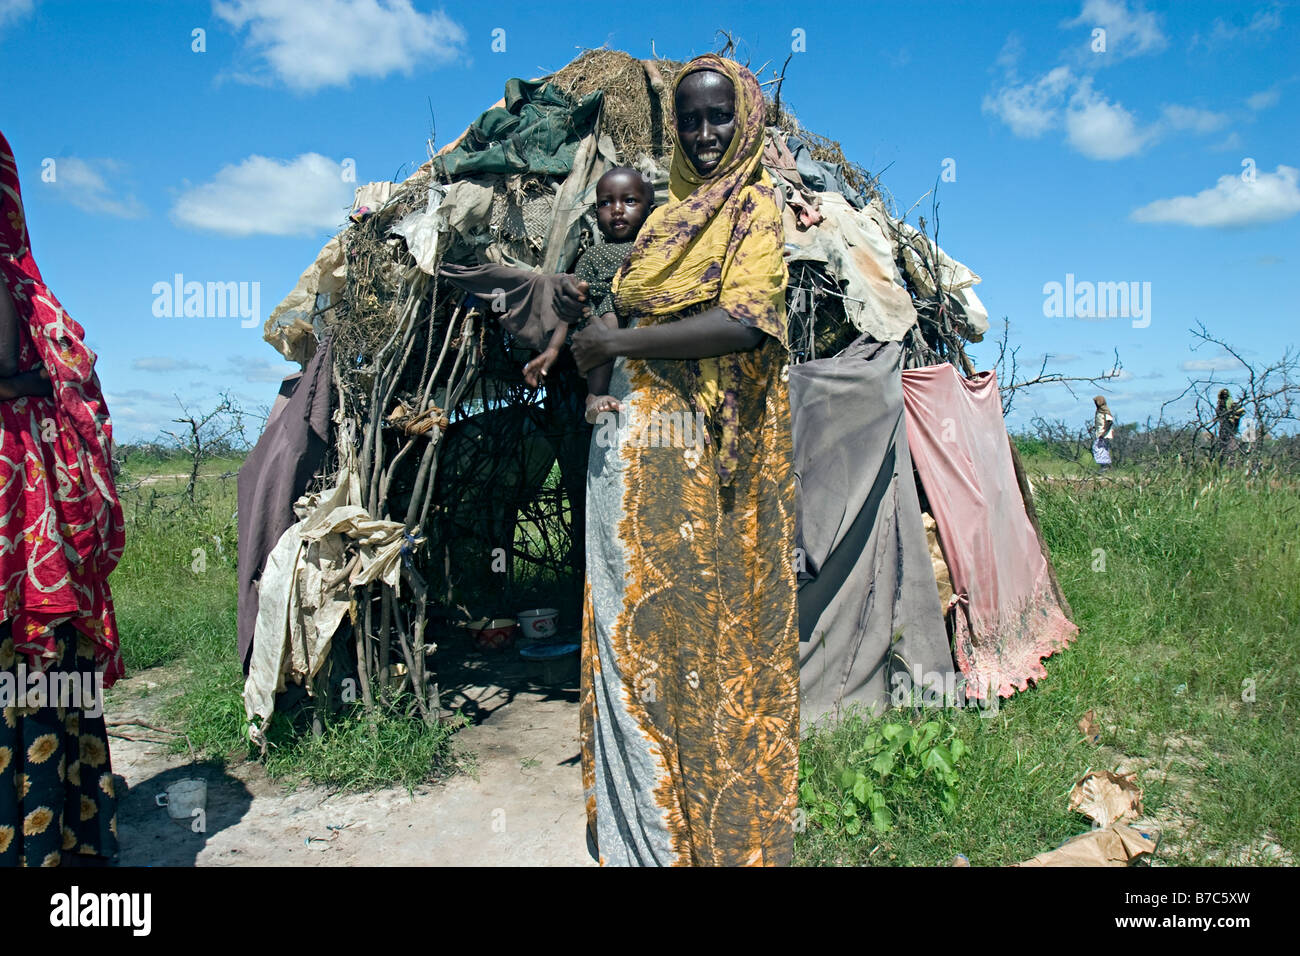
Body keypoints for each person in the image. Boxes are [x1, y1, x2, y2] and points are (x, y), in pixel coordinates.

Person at [570, 55, 798, 866]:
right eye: (690, 121)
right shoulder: (663, 219)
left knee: (700, 646)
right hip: (624, 465)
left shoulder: (756, 211)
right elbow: (598, 324)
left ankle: (712, 834)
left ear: (747, 120)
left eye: (719, 118)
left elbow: (745, 321)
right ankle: (644, 846)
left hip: (702, 472)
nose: (704, 135)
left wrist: (616, 340)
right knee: (633, 643)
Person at [0, 132, 124, 866]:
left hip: (26, 529)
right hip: (47, 537)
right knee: (50, 687)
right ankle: (70, 835)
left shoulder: (12, 290)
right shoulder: (32, 296)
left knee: (29, 686)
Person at [522, 166, 655, 427]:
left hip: (645, 307)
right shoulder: (593, 255)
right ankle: (595, 394)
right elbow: (572, 306)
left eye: (629, 201)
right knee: (605, 326)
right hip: (607, 312)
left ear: (650, 211)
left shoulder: (657, 246)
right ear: (596, 214)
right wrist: (552, 349)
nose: (617, 209)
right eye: (606, 203)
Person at [1215, 387, 1244, 458]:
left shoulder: (1233, 404)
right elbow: (1219, 415)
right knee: (1222, 448)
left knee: (1231, 447)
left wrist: (1233, 415)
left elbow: (1241, 412)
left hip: (1231, 428)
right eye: (1223, 395)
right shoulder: (1219, 405)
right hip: (1223, 428)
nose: (1224, 397)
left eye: (1226, 395)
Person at [1092, 395, 1115, 472]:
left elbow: (1109, 422)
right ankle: (1105, 466)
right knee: (1101, 449)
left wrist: (1104, 432)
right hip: (1100, 433)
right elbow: (1100, 422)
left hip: (1104, 434)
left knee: (1099, 449)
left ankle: (1105, 466)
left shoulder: (1106, 411)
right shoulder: (1099, 411)